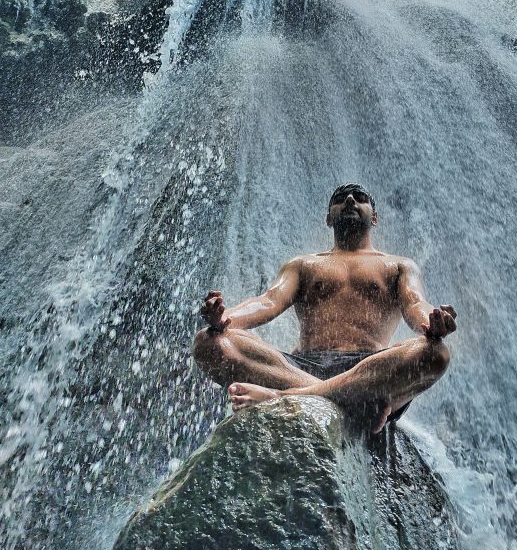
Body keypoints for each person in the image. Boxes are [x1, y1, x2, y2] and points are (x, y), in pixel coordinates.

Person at [192, 184, 457, 433]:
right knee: (209, 342)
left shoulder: (399, 265)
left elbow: (415, 301)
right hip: (299, 368)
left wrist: (431, 323)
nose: (350, 200)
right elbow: (270, 300)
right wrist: (226, 318)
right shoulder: (303, 264)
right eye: (340, 200)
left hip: (369, 369)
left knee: (435, 353)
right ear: (329, 219)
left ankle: (282, 398)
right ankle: (349, 403)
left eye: (359, 198)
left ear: (374, 218)